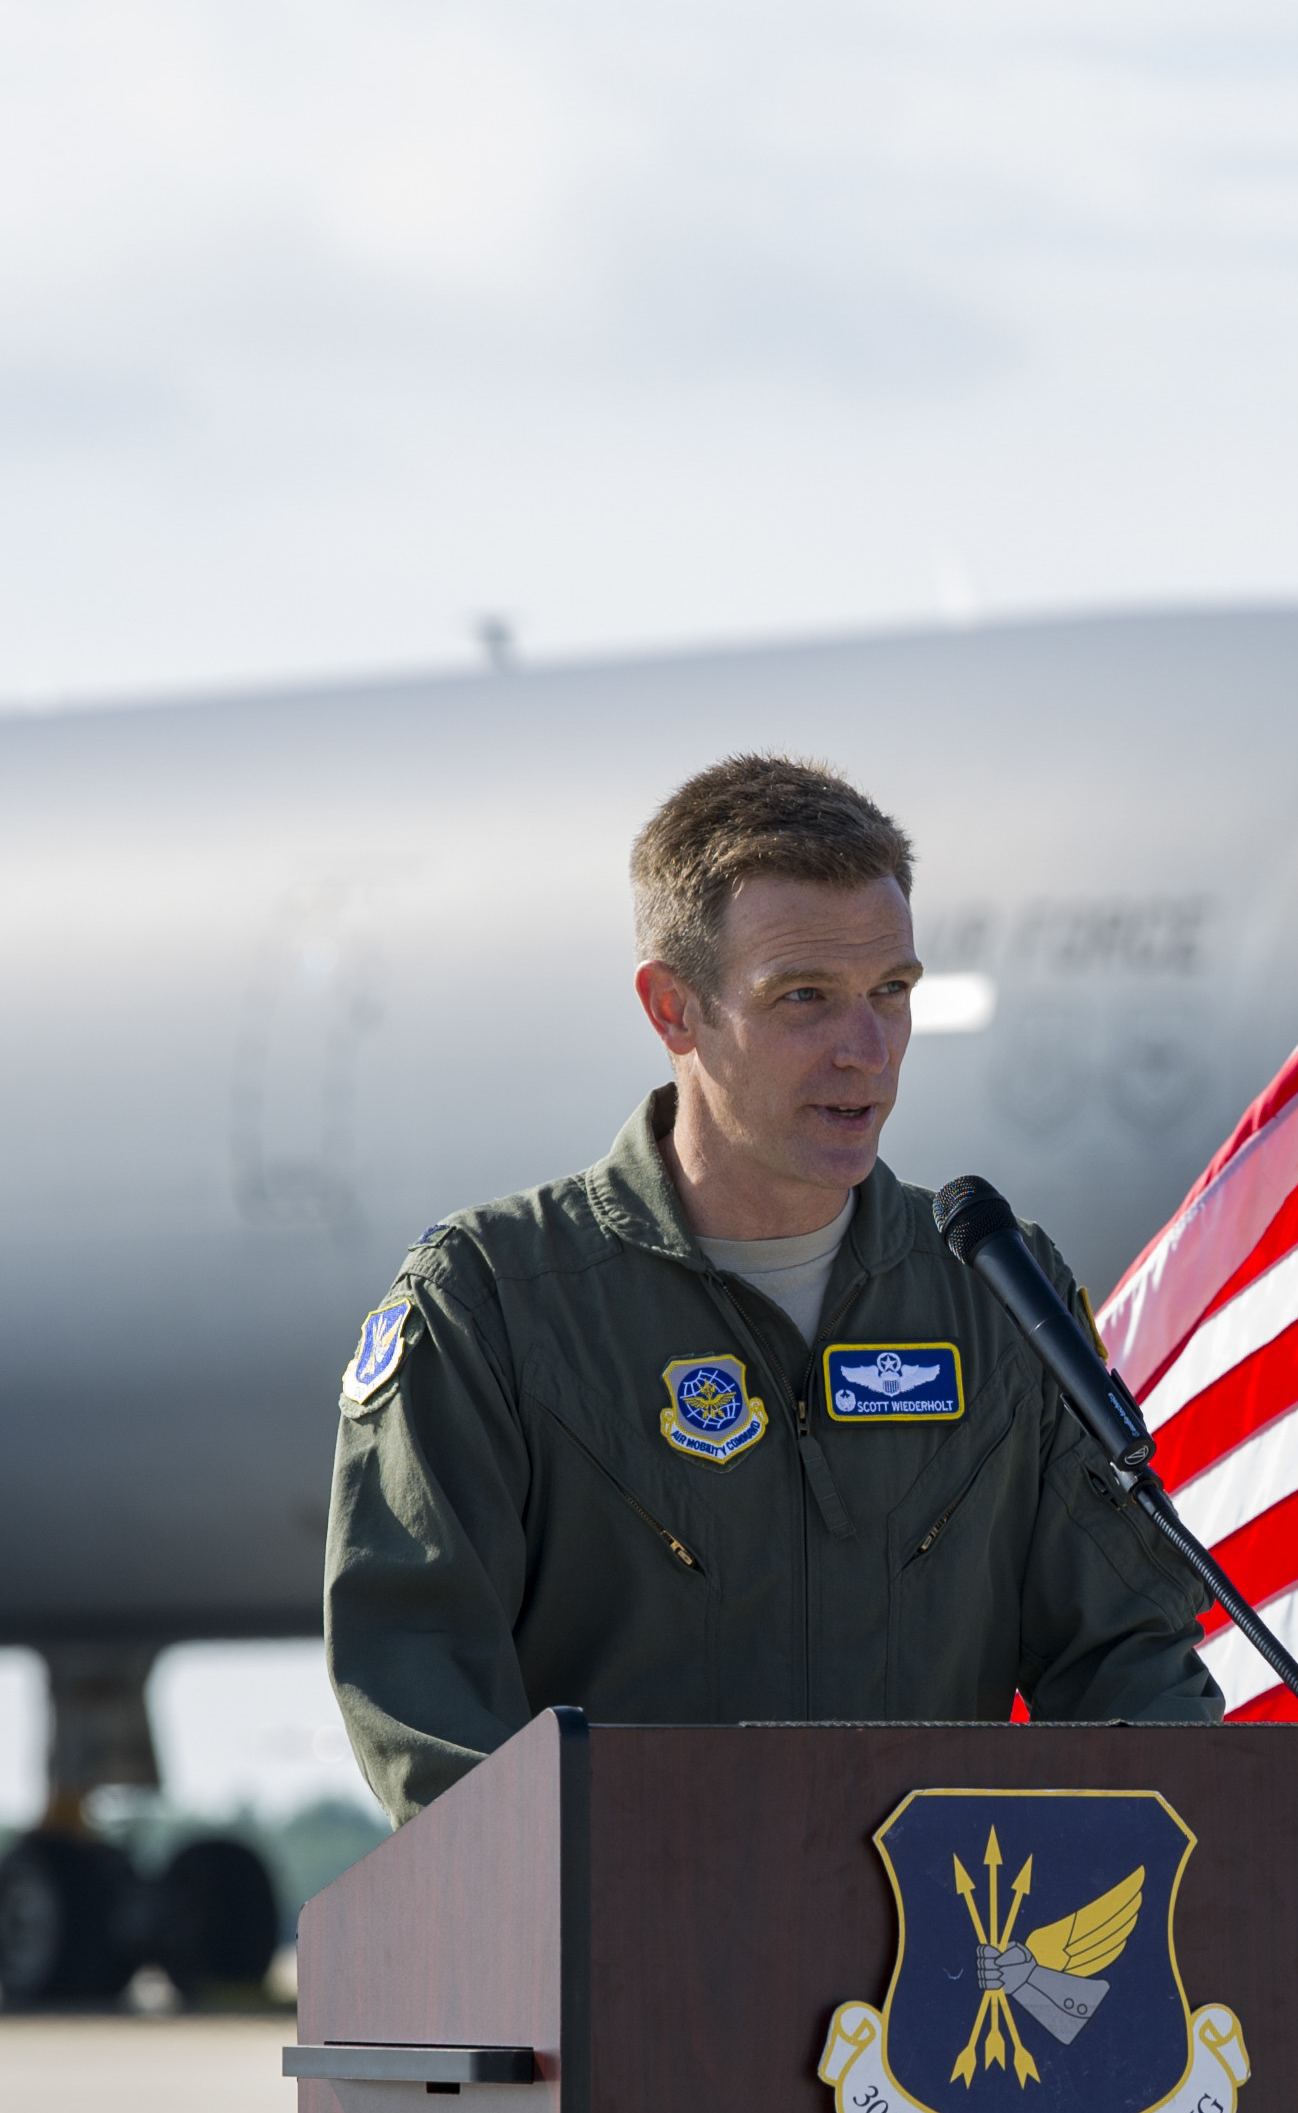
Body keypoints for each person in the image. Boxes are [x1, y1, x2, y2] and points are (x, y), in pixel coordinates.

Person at [325, 753, 1219, 1819]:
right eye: (805, 998)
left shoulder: (993, 1294)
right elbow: (427, 1703)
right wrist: (569, 1925)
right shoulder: (491, 1309)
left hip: (950, 1965)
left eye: (891, 993)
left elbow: (1123, 1660)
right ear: (674, 1010)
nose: (866, 1050)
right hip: (627, 1963)